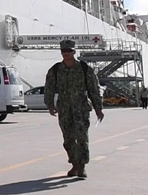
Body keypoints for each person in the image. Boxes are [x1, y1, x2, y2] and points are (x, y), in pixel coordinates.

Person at [44, 39, 104, 179]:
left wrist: (98, 108)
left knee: (82, 137)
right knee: (68, 139)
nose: (66, 54)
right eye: (63, 51)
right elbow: (49, 88)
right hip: (64, 109)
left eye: (69, 51)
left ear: (74, 52)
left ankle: (82, 166)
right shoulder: (55, 69)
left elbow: (94, 89)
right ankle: (74, 164)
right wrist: (50, 105)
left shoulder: (84, 69)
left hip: (81, 109)